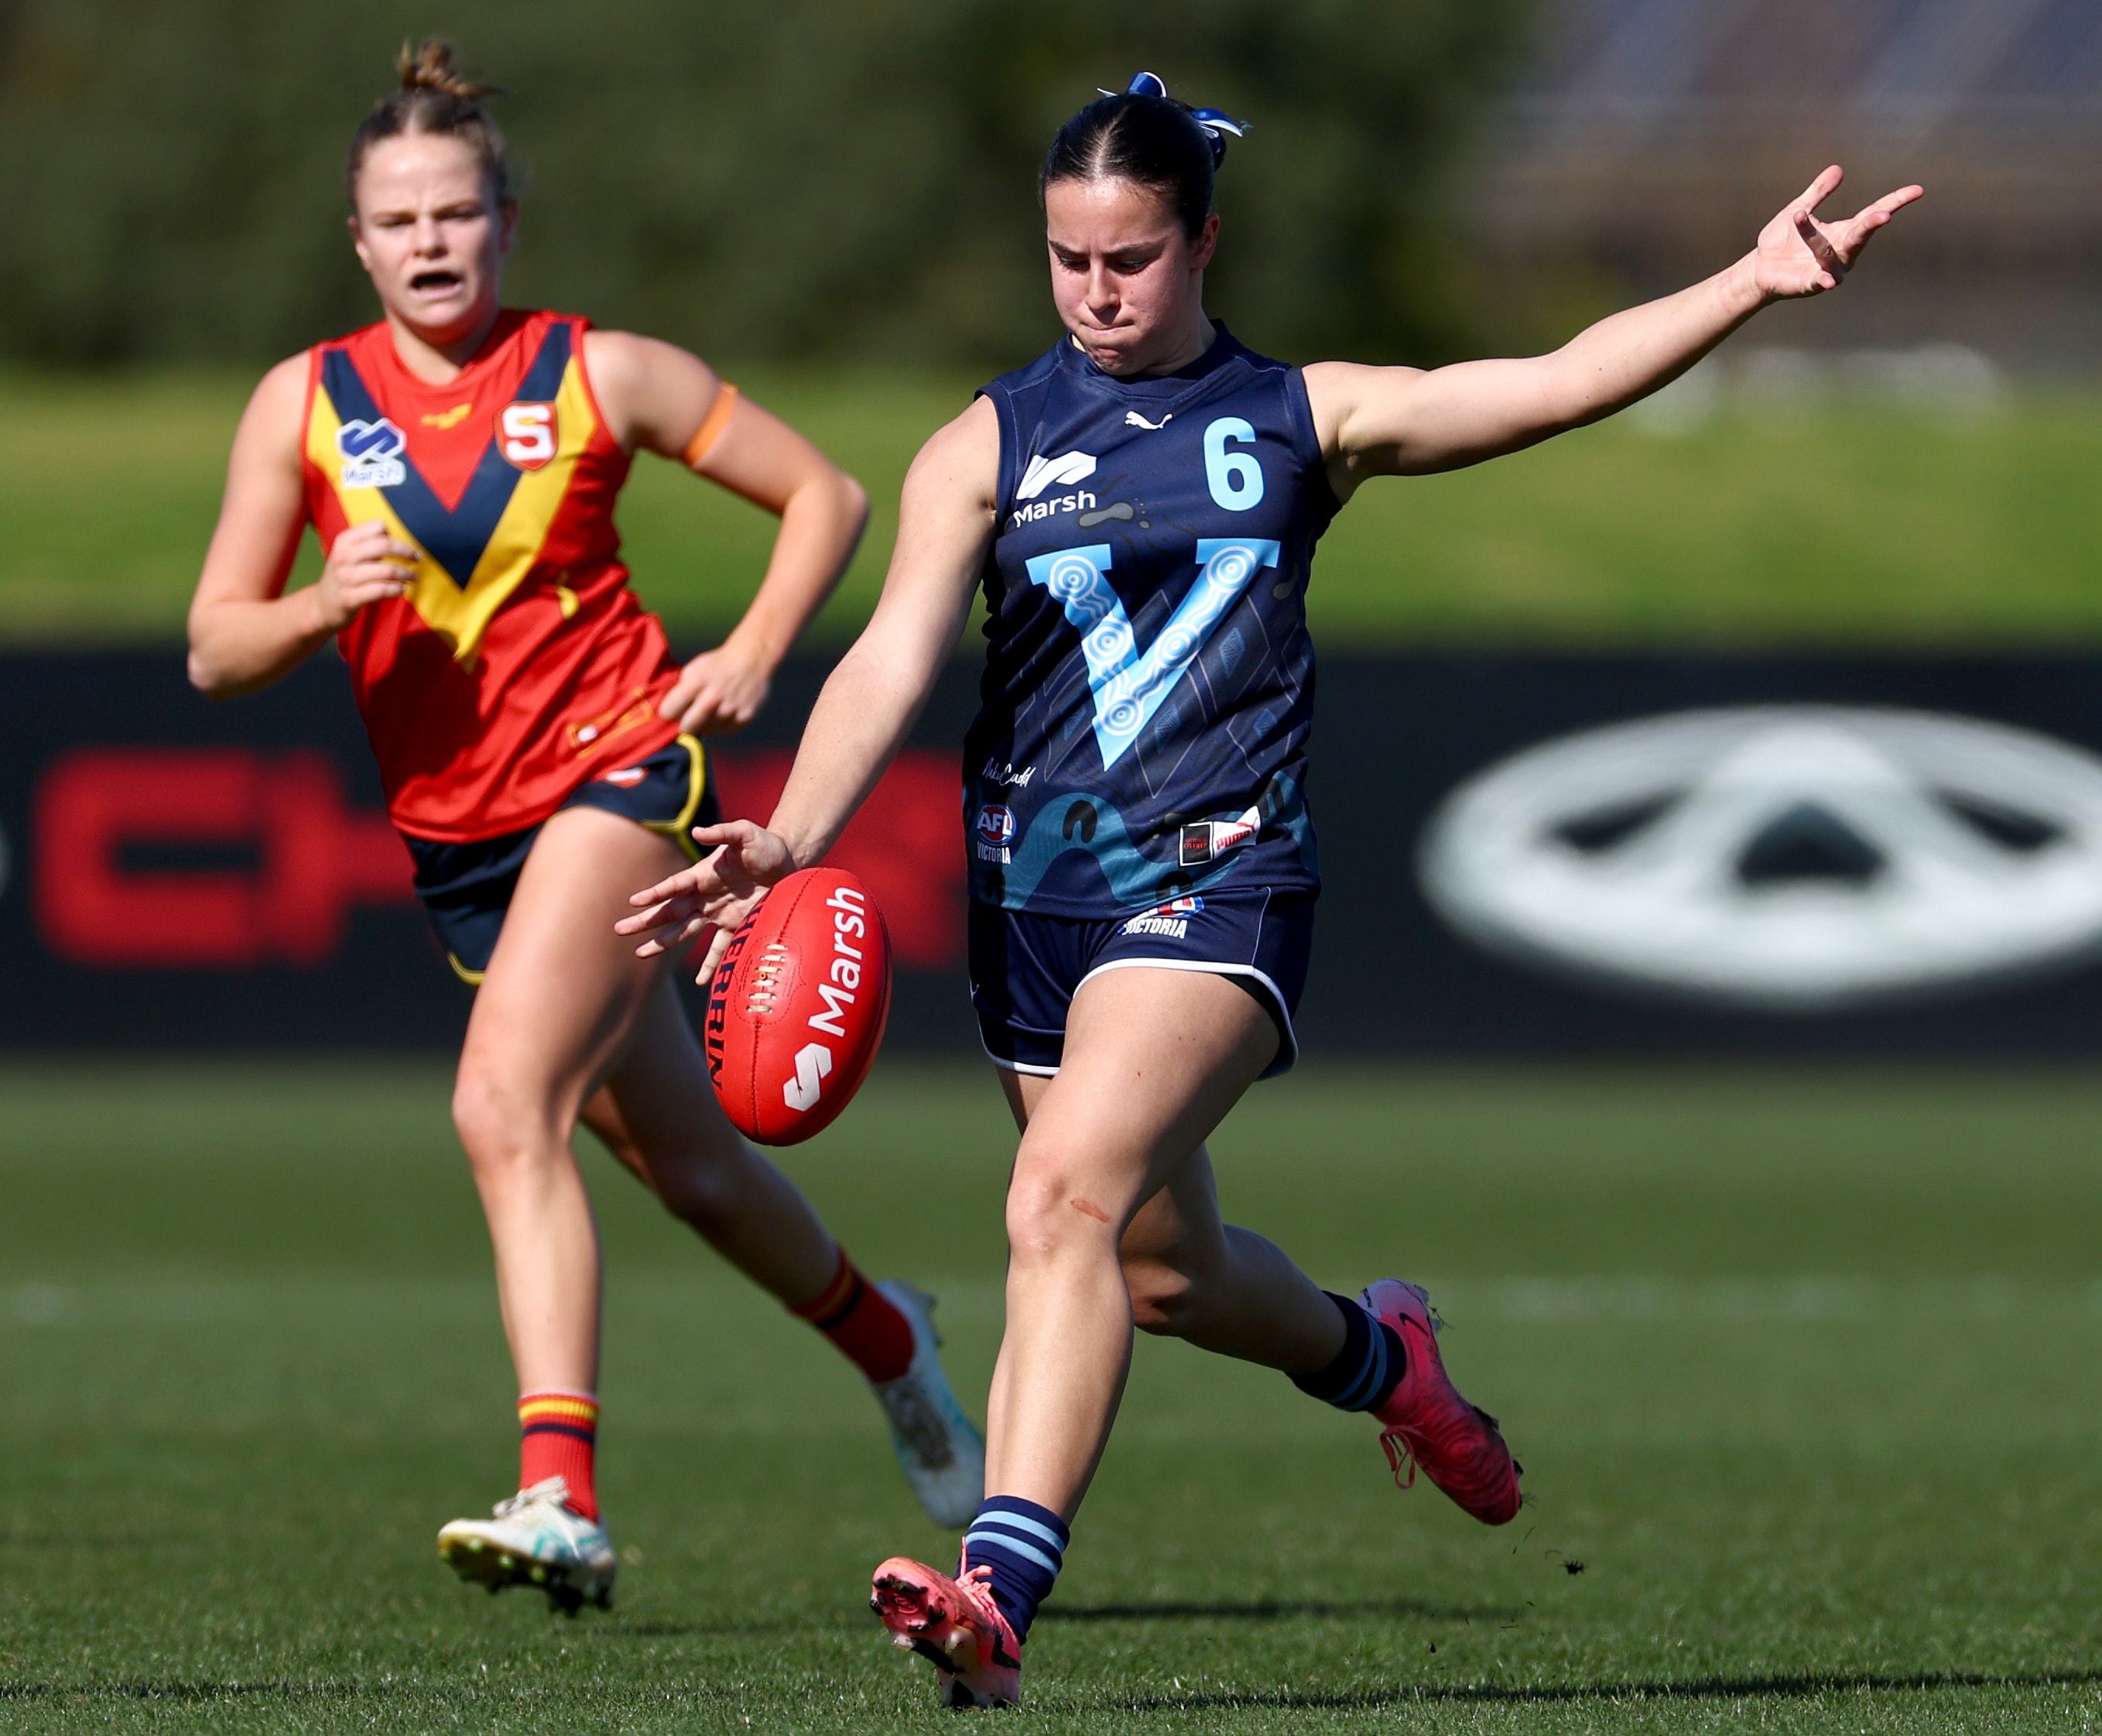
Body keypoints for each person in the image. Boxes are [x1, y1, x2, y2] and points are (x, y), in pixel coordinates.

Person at [621, 72, 1922, 1701]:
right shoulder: (987, 443)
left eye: (1132, 258)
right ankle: (1386, 1359)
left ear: (1202, 242)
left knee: (1059, 1203)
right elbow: (889, 658)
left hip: (1221, 883)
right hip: (1037, 907)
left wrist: (1748, 280)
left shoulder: (1299, 418)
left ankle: (996, 1597)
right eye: (1067, 259)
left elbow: (1550, 384)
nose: (1097, 292)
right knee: (1159, 1274)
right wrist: (793, 833)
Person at [185, 40, 984, 1614]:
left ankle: (561, 1495)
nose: (429, 241)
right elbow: (213, 645)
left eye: (457, 211)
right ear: (356, 240)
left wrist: (753, 650)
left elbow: (824, 493)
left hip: (623, 777)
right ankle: (895, 1340)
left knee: (499, 1107)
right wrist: (306, 609)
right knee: (691, 1173)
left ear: (507, 219)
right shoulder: (302, 403)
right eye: (398, 218)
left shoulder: (596, 370)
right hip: (459, 850)